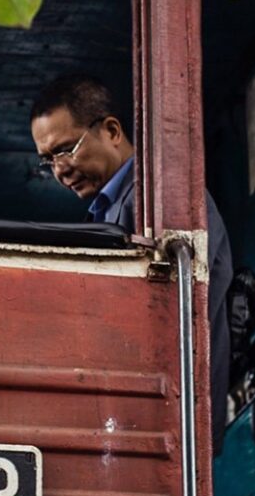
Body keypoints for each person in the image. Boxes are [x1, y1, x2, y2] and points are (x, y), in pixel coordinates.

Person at [30, 75, 233, 450]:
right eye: (48, 161)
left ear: (111, 130)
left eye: (65, 149)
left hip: (172, 414)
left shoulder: (155, 200)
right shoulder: (113, 209)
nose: (59, 170)